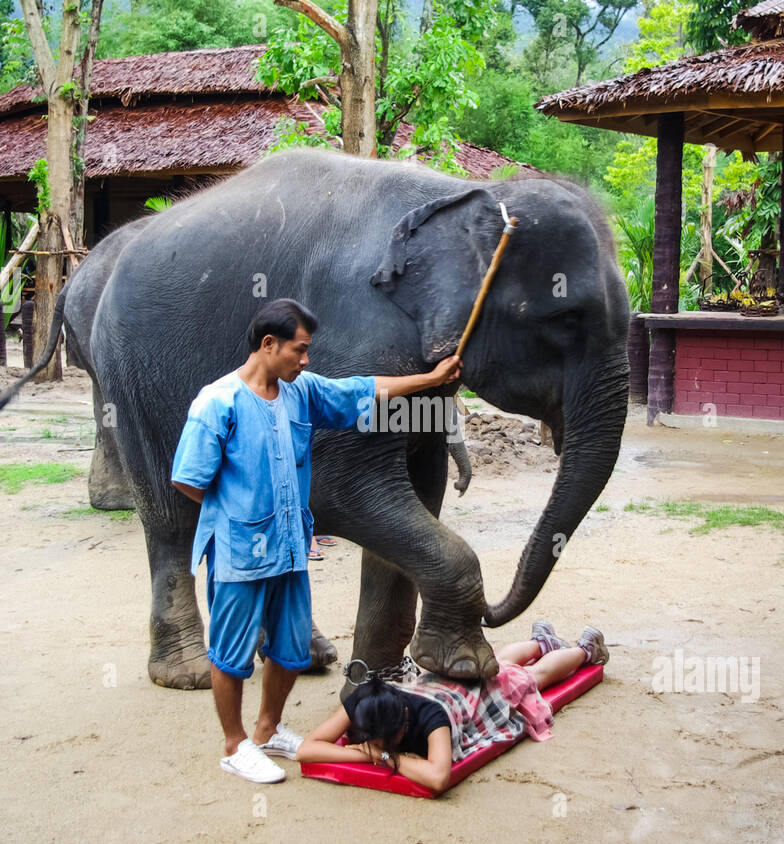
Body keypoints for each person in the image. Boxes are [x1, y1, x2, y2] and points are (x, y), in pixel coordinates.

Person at [170, 298, 462, 785]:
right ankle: (234, 744)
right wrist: (241, 511)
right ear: (269, 344)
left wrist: (431, 382)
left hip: (289, 548)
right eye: (299, 351)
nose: (306, 361)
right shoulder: (216, 403)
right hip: (241, 553)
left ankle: (267, 730)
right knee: (231, 653)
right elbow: (188, 480)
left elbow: (359, 392)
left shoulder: (299, 393)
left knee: (289, 648)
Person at [296, 620, 609, 795]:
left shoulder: (433, 719)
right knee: (497, 660)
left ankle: (585, 651)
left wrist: (385, 757)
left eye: (379, 741)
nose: (370, 744)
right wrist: (373, 753)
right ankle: (541, 642)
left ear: (402, 728)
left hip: (469, 701)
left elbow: (437, 777)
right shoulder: (365, 699)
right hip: (437, 682)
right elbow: (306, 750)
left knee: (524, 677)